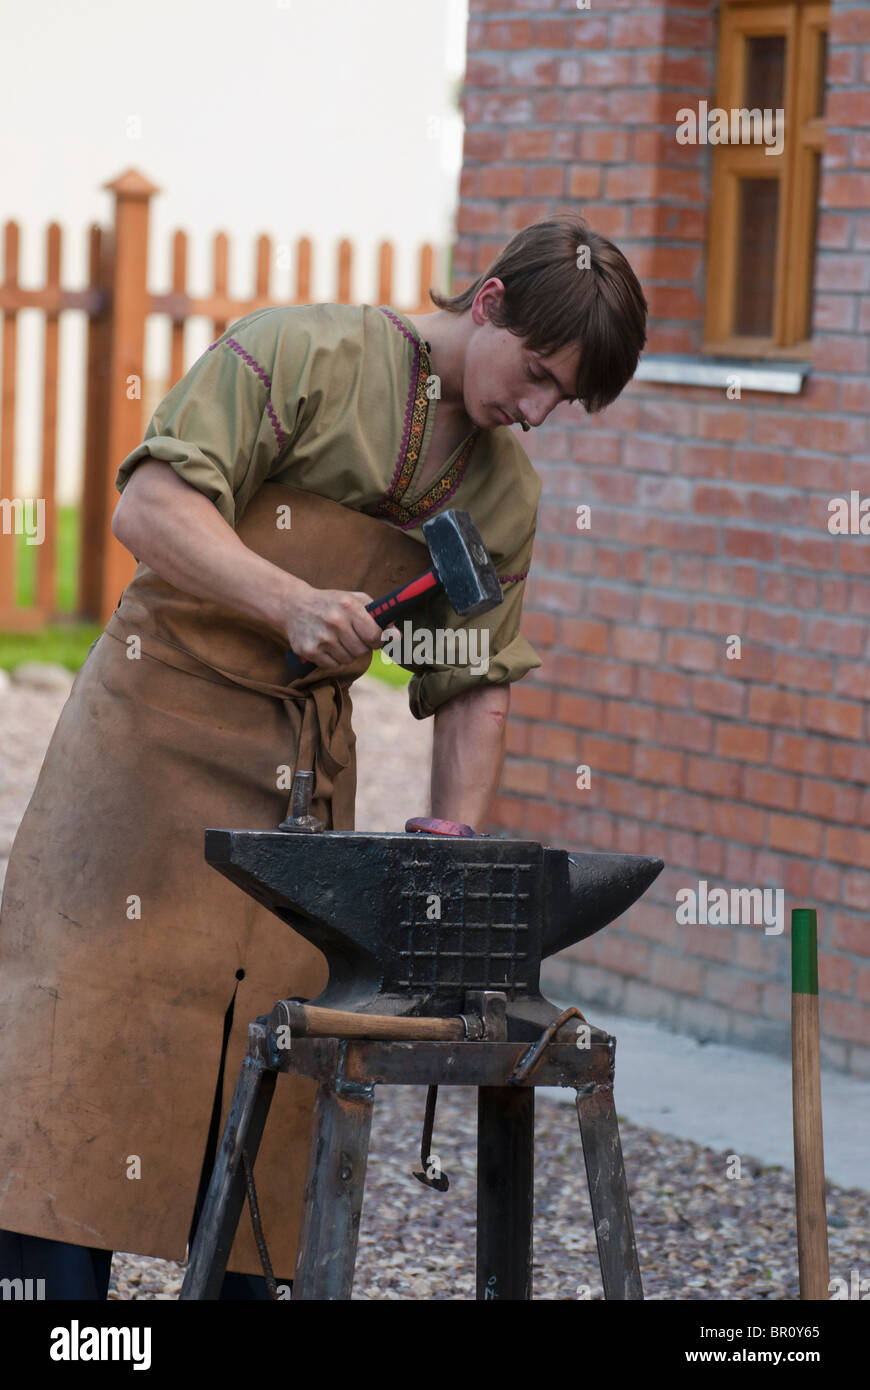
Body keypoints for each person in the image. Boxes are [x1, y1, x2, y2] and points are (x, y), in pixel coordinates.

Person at [0, 214, 647, 1299]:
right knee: (74, 1074)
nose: (534, 412)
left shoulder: (502, 491)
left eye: (561, 400)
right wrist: (290, 601)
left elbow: (474, 676)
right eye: (534, 373)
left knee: (276, 1091)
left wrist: (452, 855)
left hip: (295, 800)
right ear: (484, 303)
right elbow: (150, 504)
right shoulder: (302, 353)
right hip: (144, 751)